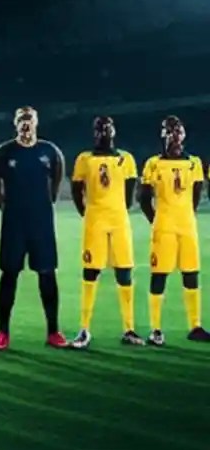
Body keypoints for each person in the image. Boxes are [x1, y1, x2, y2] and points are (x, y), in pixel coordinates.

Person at [0, 106, 67, 350]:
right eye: (21, 119)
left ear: (36, 122)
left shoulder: (49, 151)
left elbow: (57, 179)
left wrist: (44, 203)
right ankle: (3, 333)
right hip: (13, 223)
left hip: (41, 222)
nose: (25, 124)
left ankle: (53, 331)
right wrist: (8, 207)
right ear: (15, 123)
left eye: (29, 119)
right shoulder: (3, 152)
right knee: (9, 274)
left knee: (47, 273)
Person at [69, 116, 142, 348]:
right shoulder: (84, 159)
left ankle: (129, 329)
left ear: (114, 130)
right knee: (91, 273)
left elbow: (130, 194)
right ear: (94, 133)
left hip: (119, 221)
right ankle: (84, 329)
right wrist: (90, 212)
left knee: (125, 272)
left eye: (107, 127)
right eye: (99, 128)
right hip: (95, 222)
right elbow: (76, 189)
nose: (103, 131)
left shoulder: (126, 159)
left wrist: (116, 210)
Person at [138, 115, 210, 345]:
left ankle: (195, 326)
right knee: (160, 275)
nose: (174, 136)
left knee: (191, 274)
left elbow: (197, 192)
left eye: (177, 131)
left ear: (183, 135)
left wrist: (187, 214)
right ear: (163, 135)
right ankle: (156, 329)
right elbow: (144, 198)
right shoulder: (153, 164)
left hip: (187, 227)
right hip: (164, 228)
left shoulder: (194, 163)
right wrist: (157, 220)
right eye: (169, 132)